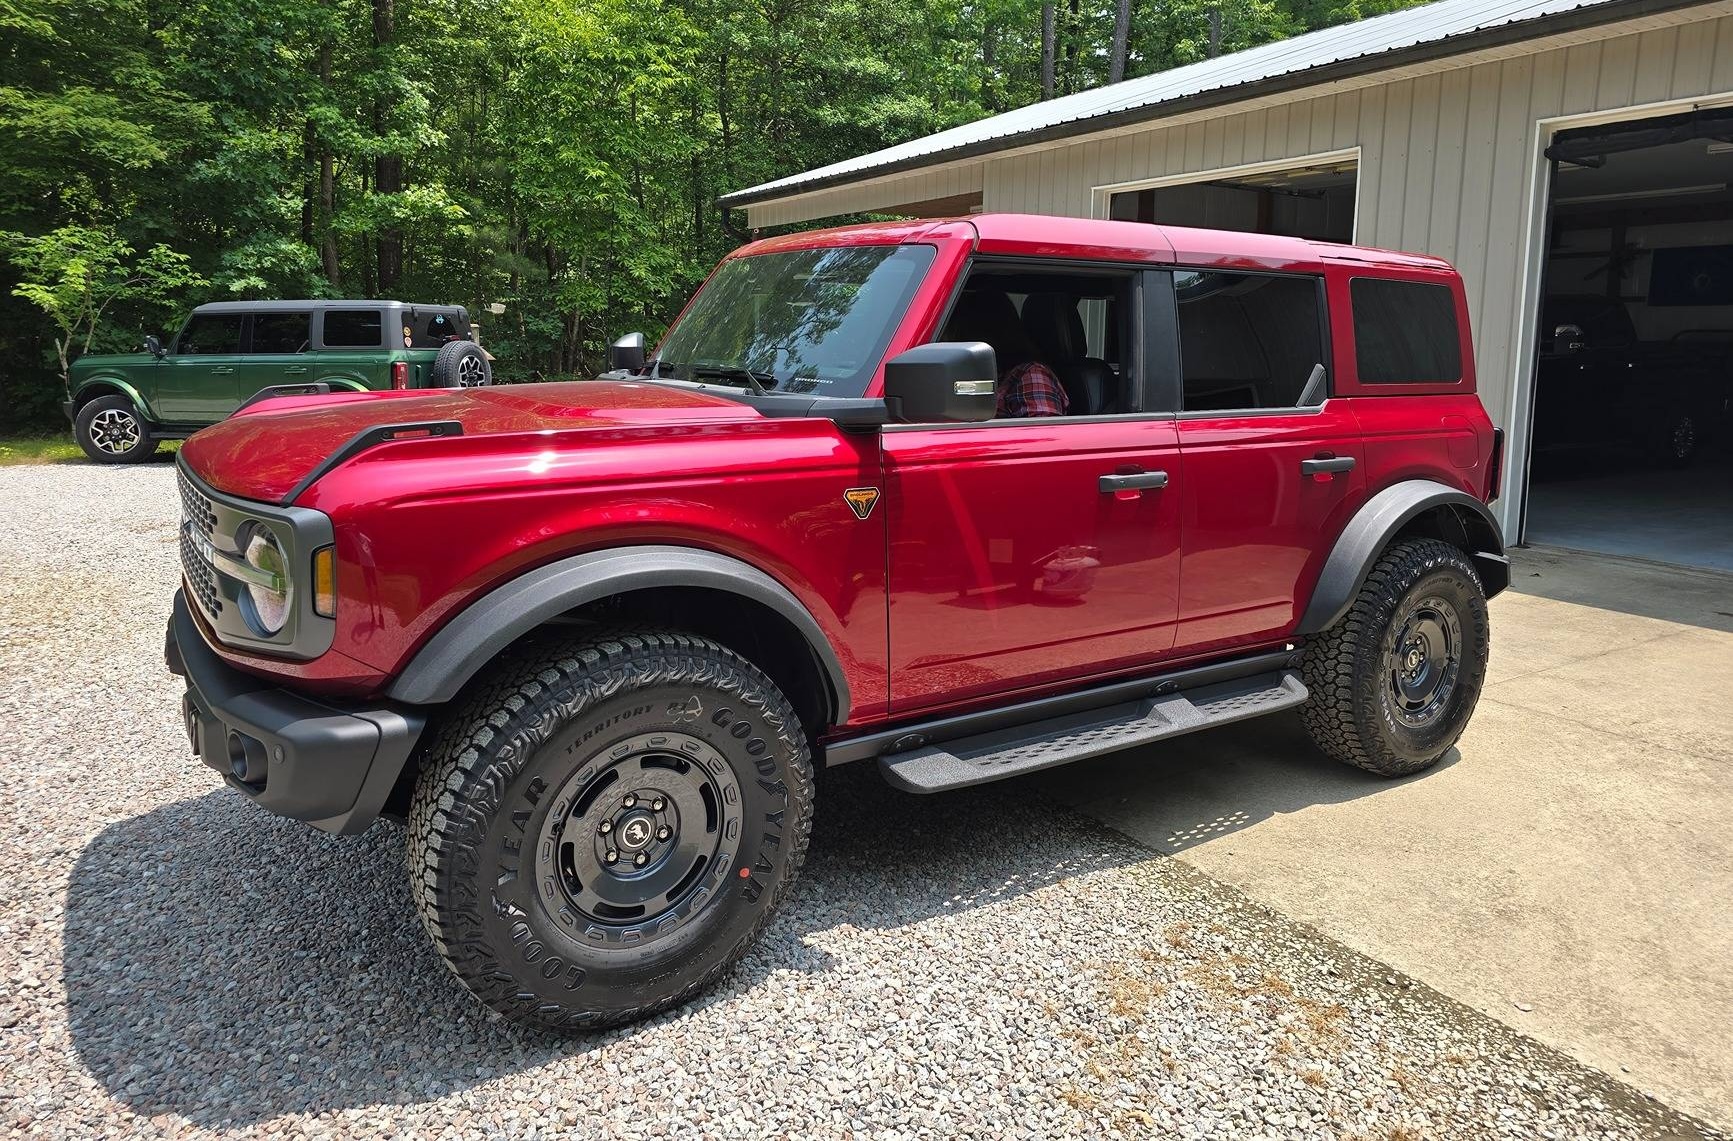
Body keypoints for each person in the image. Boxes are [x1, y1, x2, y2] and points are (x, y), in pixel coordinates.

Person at [941, 289, 1069, 418]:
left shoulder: (1031, 375)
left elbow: (1042, 434)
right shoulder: (989, 375)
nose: (945, 342)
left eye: (950, 330)